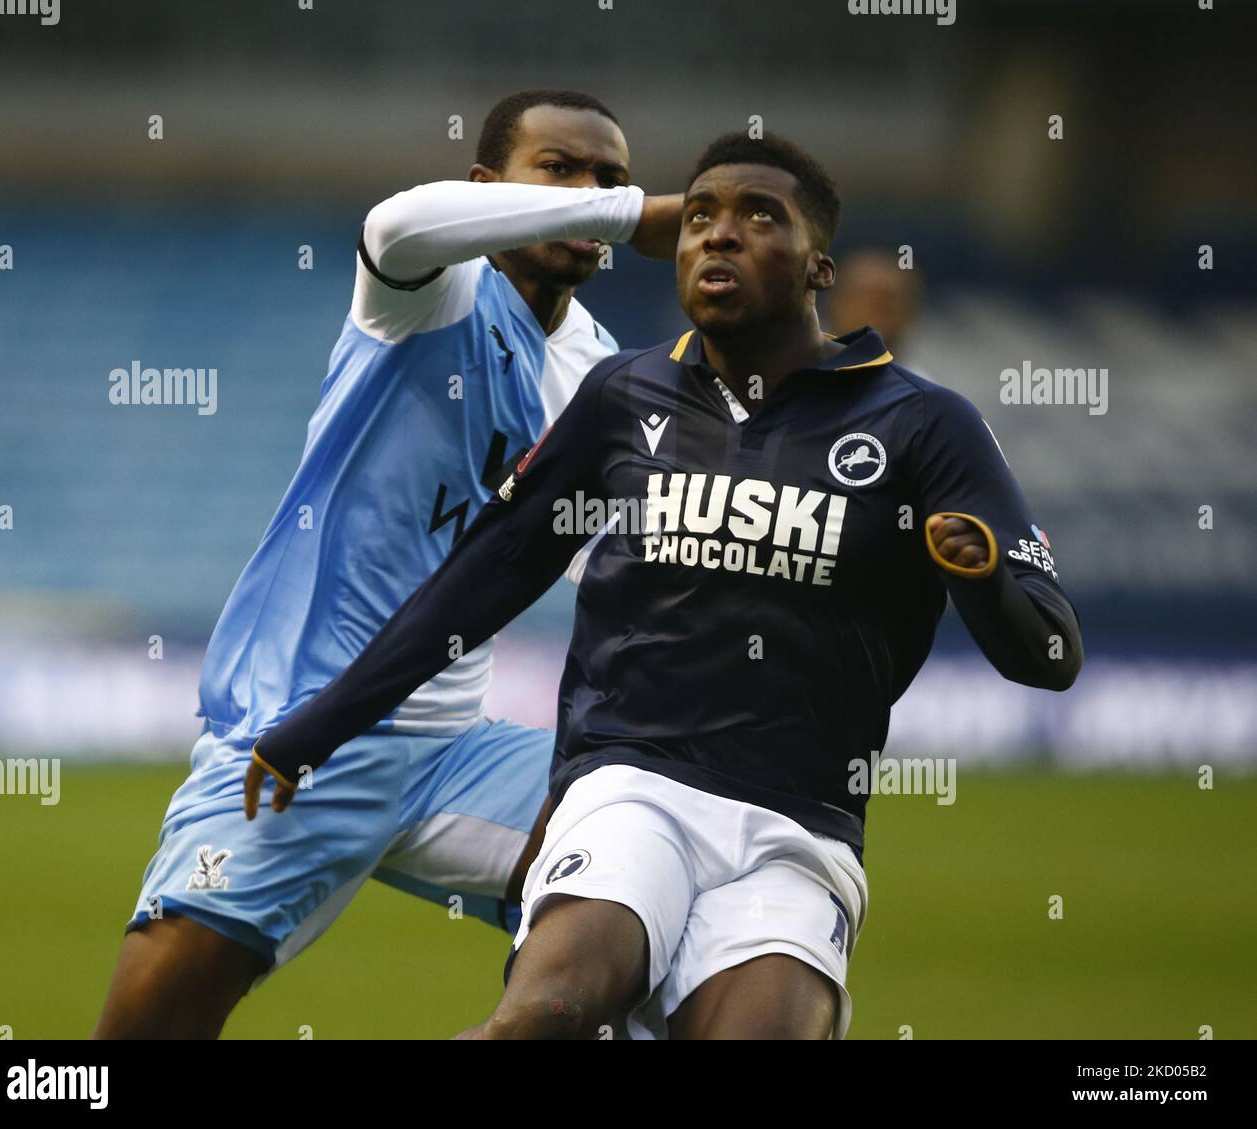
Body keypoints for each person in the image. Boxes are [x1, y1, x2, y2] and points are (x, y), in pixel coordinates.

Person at [245, 131, 1082, 1040]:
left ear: (817, 266)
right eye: (700, 216)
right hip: (629, 783)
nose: (717, 235)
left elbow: (1050, 653)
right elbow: (483, 577)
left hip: (801, 829)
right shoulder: (623, 395)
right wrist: (322, 721)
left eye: (759, 217)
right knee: (546, 1015)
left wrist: (988, 578)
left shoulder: (924, 424)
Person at [93, 88, 683, 1039]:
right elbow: (395, 220)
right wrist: (630, 212)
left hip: (456, 751)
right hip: (303, 730)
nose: (589, 192)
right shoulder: (430, 287)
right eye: (560, 170)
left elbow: (611, 561)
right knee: (144, 1033)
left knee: (652, 887)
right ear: (488, 186)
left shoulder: (596, 372)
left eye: (610, 177)